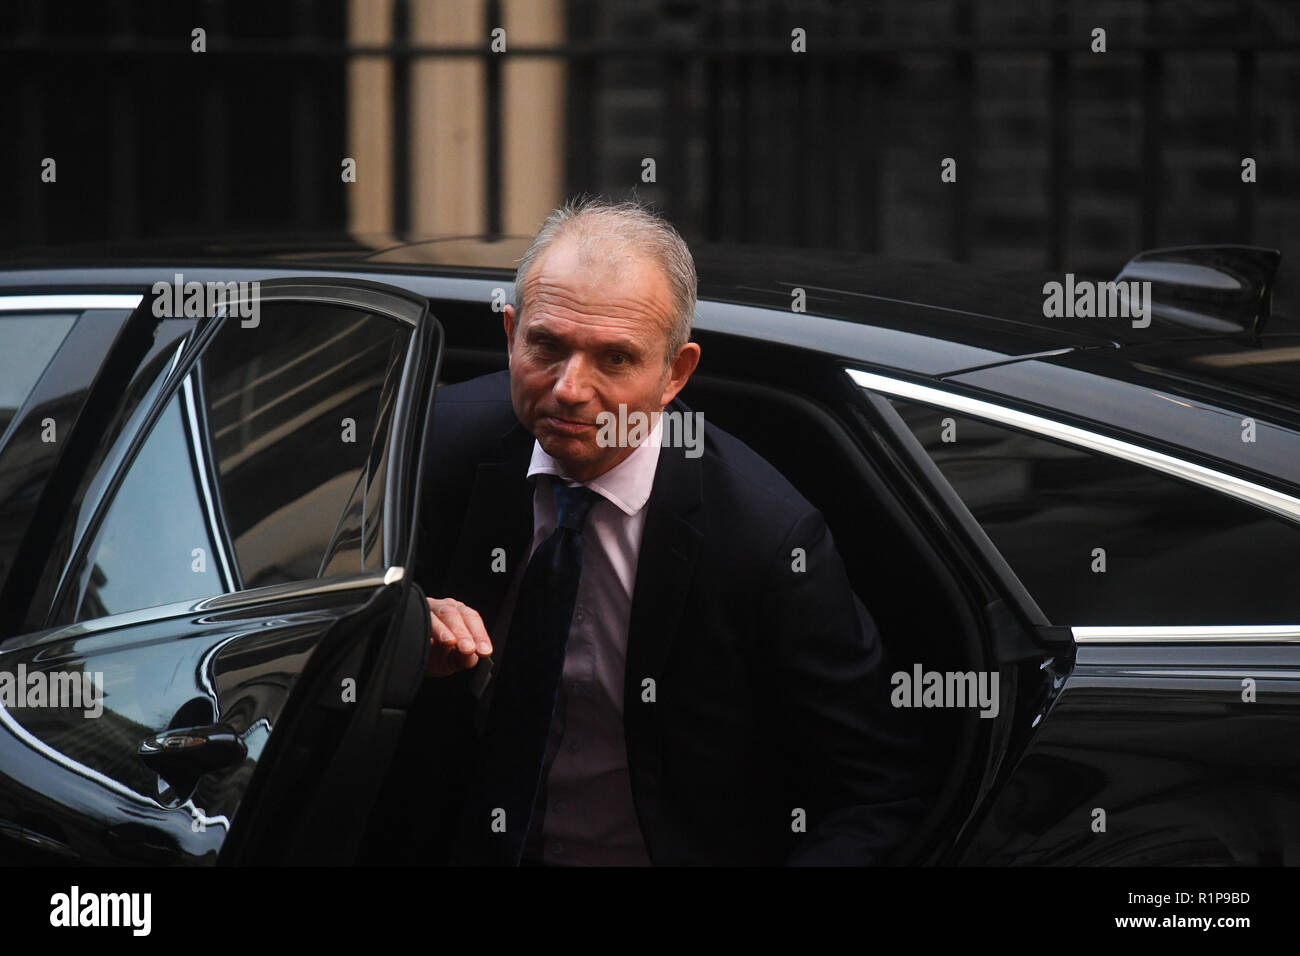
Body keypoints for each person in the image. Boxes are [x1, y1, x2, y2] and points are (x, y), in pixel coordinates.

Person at [370, 196, 931, 866]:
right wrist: (403, 636)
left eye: (615, 358)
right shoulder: (424, 445)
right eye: (546, 346)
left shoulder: (765, 538)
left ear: (676, 374)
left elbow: (876, 793)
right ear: (511, 333)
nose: (570, 389)